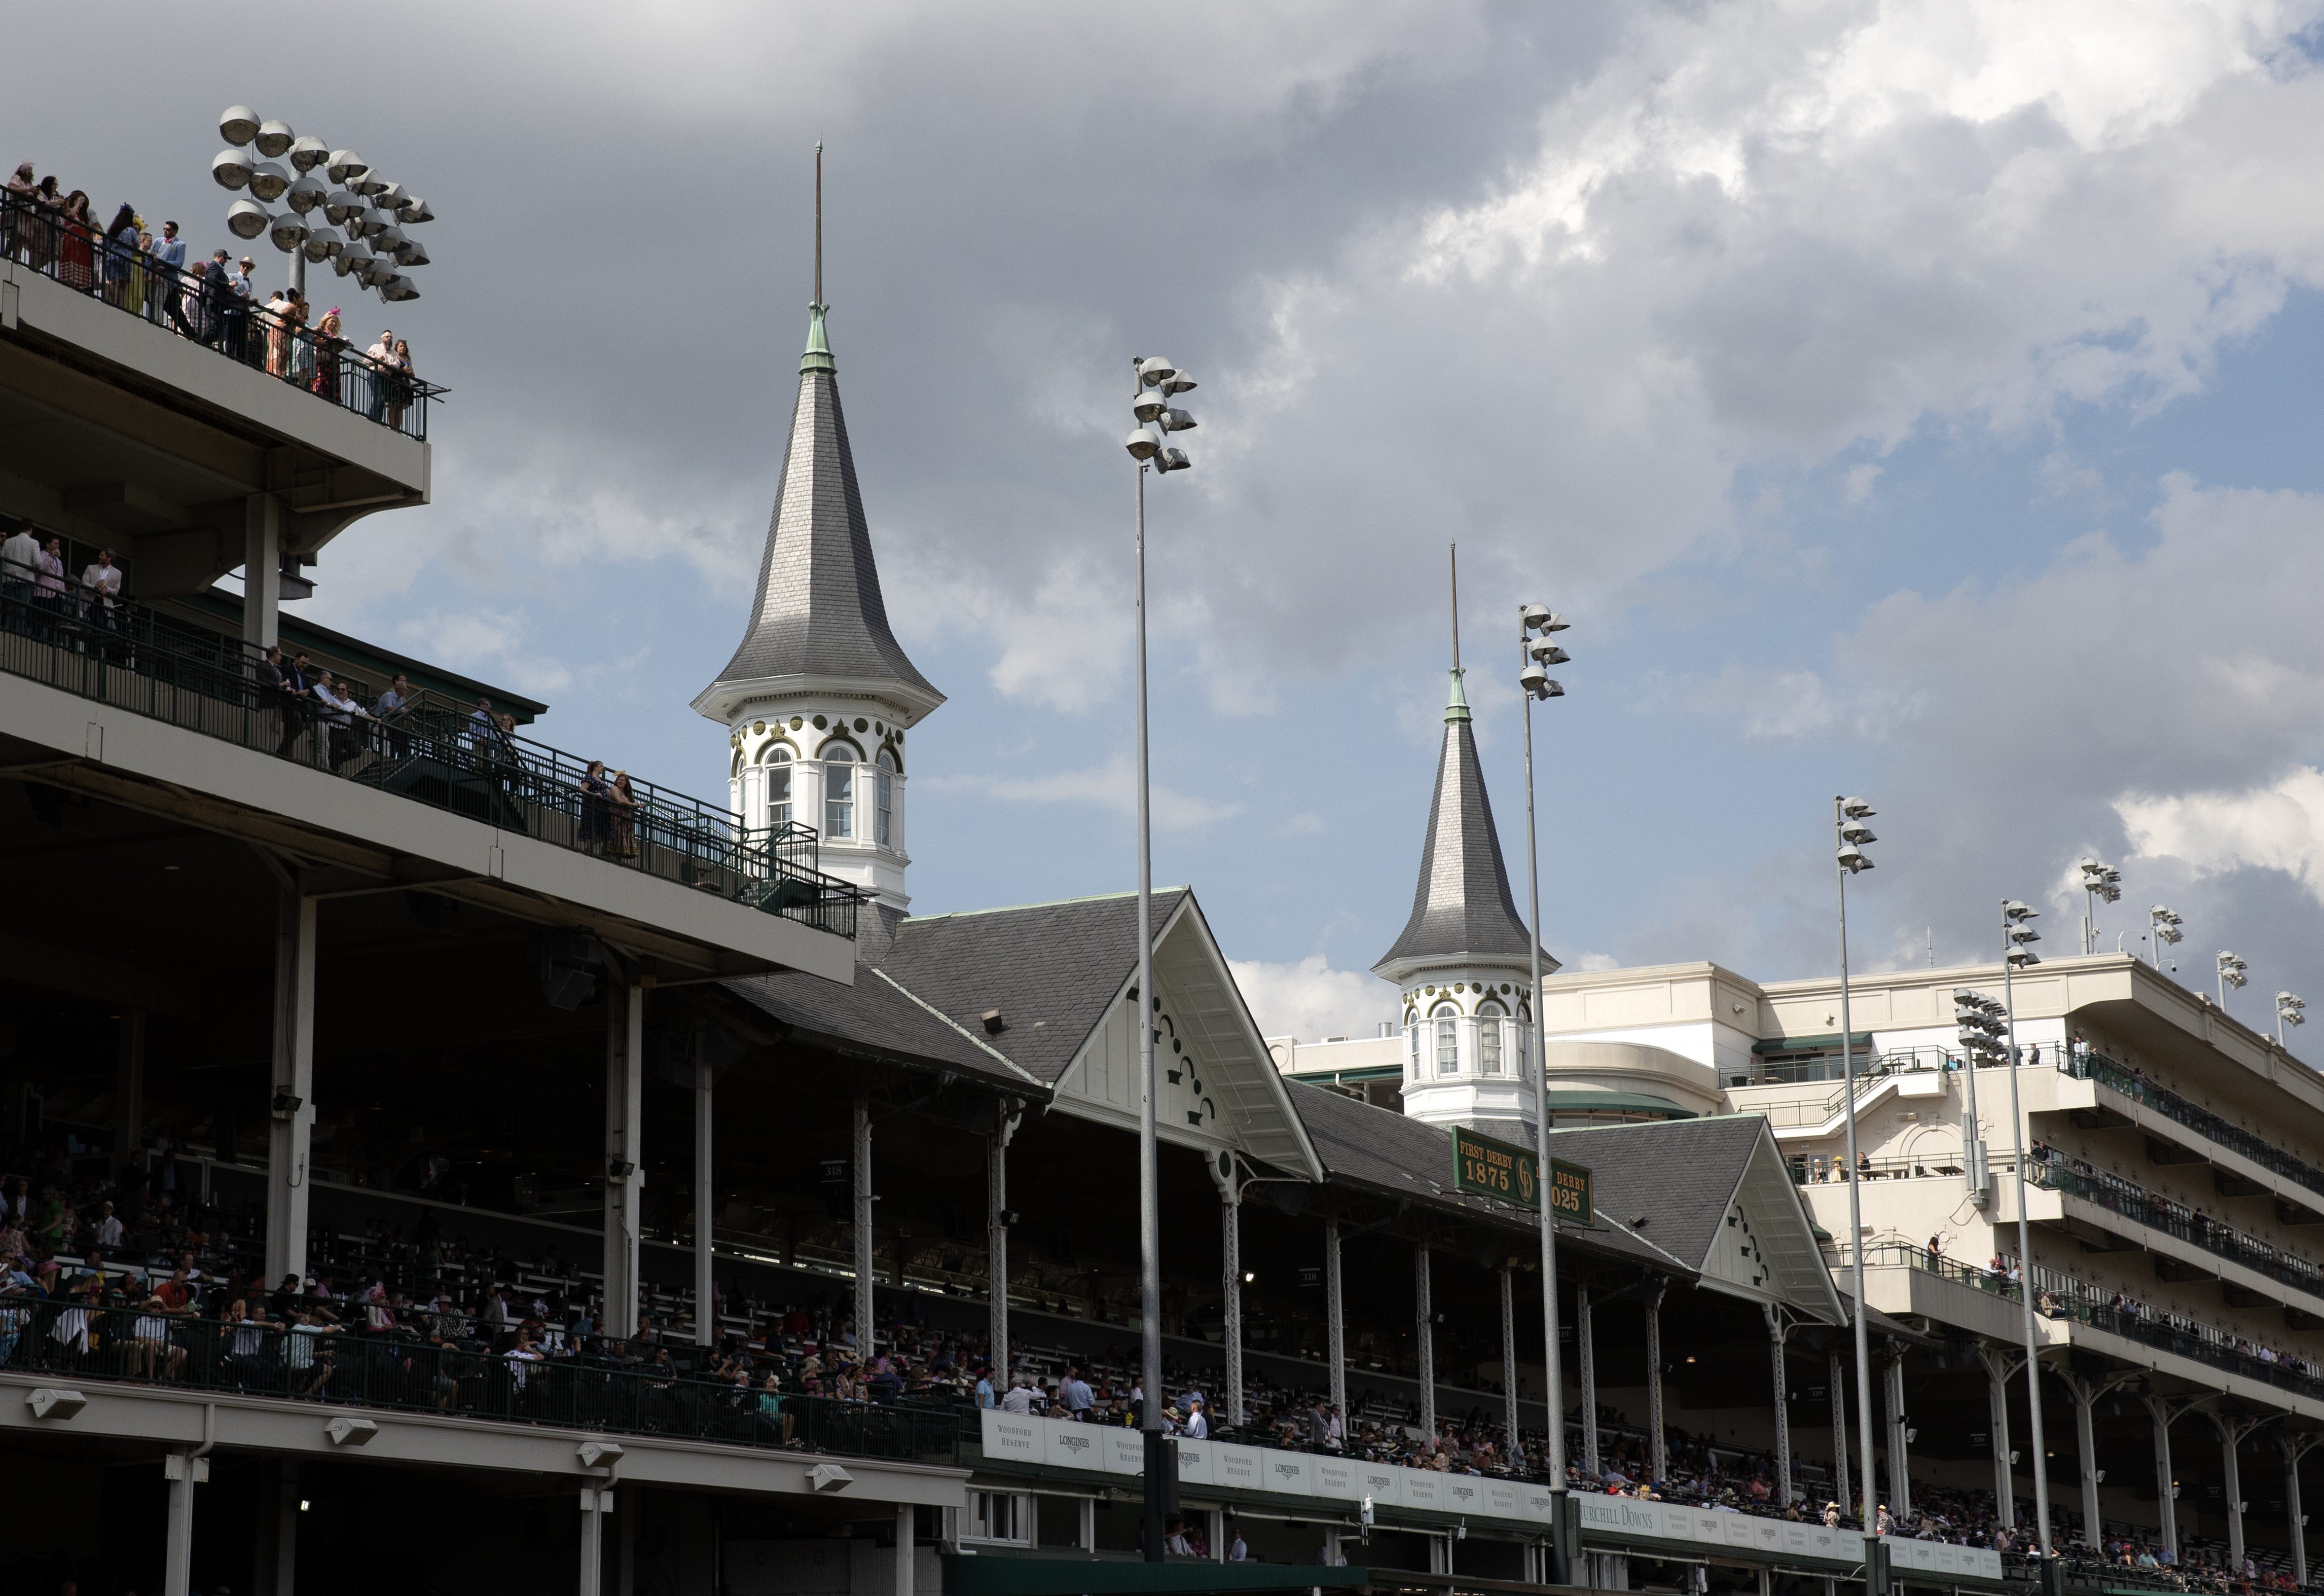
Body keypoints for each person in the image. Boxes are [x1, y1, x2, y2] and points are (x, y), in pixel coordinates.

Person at [55, 191, 95, 291]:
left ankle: (78, 285)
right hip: (72, 241)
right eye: (79, 200)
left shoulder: (81, 218)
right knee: (72, 262)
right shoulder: (68, 210)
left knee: (80, 264)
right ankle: (70, 283)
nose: (81, 203)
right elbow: (71, 214)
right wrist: (78, 203)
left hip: (82, 245)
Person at [1, 518, 39, 622]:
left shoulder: (8, 542)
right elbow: (38, 563)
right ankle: (18, 630)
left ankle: (8, 628)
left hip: (9, 578)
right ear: (31, 530)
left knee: (10, 607)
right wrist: (36, 570)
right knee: (21, 608)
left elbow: (2, 560)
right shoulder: (34, 543)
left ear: (19, 529)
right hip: (26, 580)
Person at [374, 671, 416, 760]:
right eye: (403, 681)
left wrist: (410, 719)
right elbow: (389, 708)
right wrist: (403, 712)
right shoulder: (390, 694)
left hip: (399, 725)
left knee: (402, 749)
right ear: (397, 682)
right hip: (382, 721)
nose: (406, 690)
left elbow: (404, 711)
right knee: (392, 747)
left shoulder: (400, 699)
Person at [579, 759, 614, 853]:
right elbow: (582, 789)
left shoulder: (601, 781)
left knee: (605, 831)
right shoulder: (590, 777)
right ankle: (587, 849)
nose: (603, 768)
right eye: (601, 766)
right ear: (595, 767)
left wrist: (607, 790)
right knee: (591, 828)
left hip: (603, 808)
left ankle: (588, 848)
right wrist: (594, 795)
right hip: (592, 807)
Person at [385, 338, 416, 431]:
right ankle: (392, 426)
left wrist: (410, 373)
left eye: (404, 347)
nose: (403, 348)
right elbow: (390, 368)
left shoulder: (406, 360)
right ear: (397, 347)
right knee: (393, 405)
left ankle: (398, 428)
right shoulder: (395, 357)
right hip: (395, 383)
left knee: (400, 407)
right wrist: (402, 370)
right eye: (401, 346)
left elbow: (413, 374)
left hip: (404, 384)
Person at [609, 771, 639, 858]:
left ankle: (619, 859)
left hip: (626, 821)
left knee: (623, 837)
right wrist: (632, 804)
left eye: (622, 780)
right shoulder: (614, 789)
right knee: (616, 835)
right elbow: (620, 800)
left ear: (626, 783)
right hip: (616, 818)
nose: (620, 781)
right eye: (619, 779)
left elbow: (631, 803)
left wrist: (639, 805)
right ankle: (609, 856)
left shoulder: (627, 794)